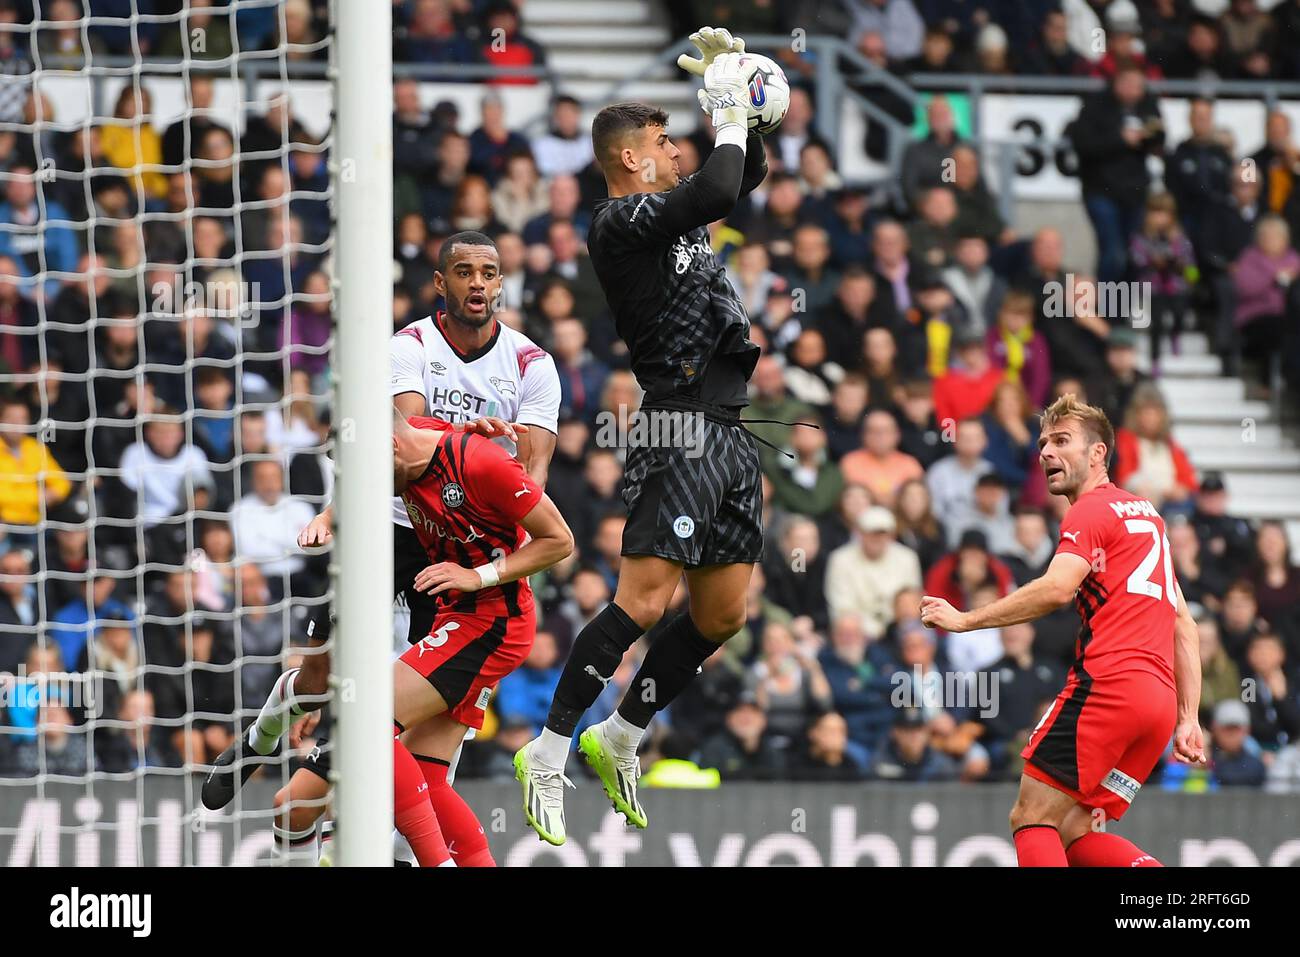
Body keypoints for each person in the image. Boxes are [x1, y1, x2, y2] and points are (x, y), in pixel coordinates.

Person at [512, 28, 774, 845]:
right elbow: (719, 191)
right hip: (677, 422)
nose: (677, 150)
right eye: (664, 142)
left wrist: (745, 96)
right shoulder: (619, 222)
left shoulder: (674, 212)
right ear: (631, 159)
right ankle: (548, 750)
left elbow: (743, 174)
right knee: (642, 600)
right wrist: (727, 113)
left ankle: (619, 733)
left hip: (730, 430)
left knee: (724, 613)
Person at [262, 413, 575, 866]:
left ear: (389, 448)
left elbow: (559, 540)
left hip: (491, 623)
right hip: (460, 619)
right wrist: (329, 517)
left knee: (369, 722)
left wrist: (477, 575)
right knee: (425, 768)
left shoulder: (483, 465)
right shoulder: (415, 438)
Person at [921, 393, 1205, 866]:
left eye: (1061, 440)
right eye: (1043, 442)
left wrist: (967, 619)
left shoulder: (1089, 511)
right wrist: (1188, 716)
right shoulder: (1149, 518)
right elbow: (1184, 624)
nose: (1046, 452)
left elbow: (1056, 589)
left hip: (1109, 689)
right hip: (1155, 707)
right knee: (1075, 827)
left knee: (1031, 816)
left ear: (1098, 453)